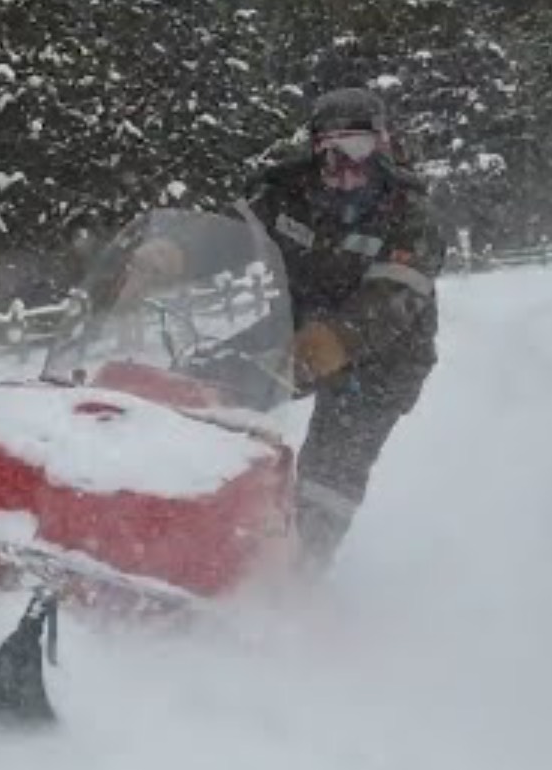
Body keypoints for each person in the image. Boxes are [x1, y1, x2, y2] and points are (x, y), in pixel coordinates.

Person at [122, 87, 444, 571]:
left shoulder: (410, 215)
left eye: (356, 149)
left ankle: (297, 574)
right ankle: (163, 513)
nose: (343, 166)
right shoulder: (290, 192)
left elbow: (391, 300)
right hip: (296, 327)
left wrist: (334, 341)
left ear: (381, 145)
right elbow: (228, 233)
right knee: (199, 389)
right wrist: (175, 254)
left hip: (385, 358)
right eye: (329, 151)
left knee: (329, 473)